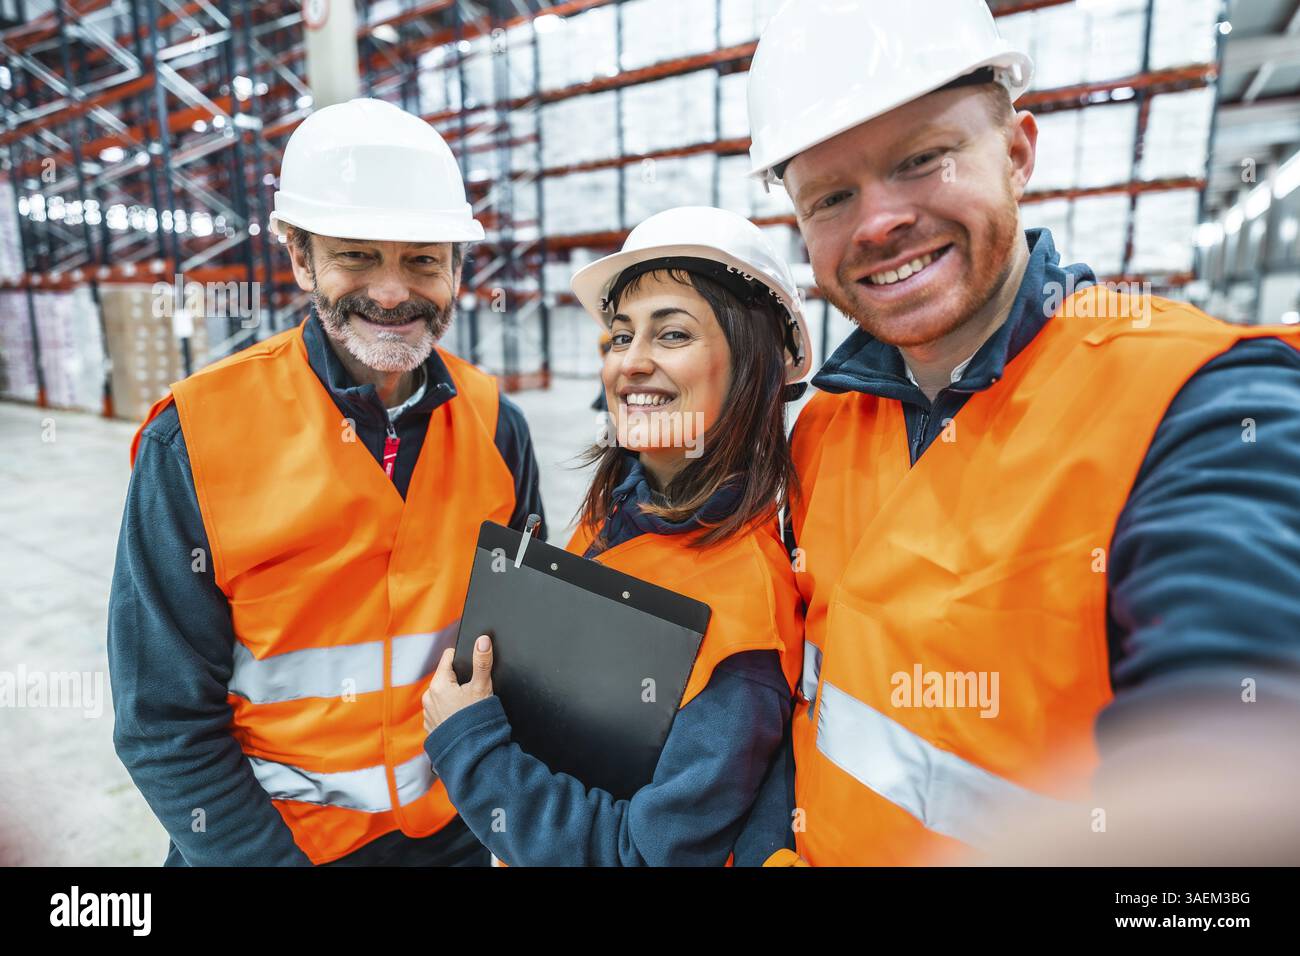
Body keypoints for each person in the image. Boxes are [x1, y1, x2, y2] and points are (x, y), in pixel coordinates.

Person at [746, 0, 1300, 865]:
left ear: (1017, 153)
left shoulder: (1197, 403)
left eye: (921, 159)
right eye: (832, 196)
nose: (878, 222)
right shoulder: (824, 424)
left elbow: (1249, 783)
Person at [107, 98, 546, 866]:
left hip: (453, 837)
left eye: (421, 259)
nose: (390, 292)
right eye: (356, 256)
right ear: (300, 257)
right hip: (268, 847)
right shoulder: (196, 438)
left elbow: (519, 654)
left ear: (456, 267)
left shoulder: (495, 425)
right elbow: (163, 721)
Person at [420, 206, 812, 865]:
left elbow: (642, 855)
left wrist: (473, 747)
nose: (630, 363)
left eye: (673, 335)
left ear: (757, 365)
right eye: (622, 336)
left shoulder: (744, 627)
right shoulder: (622, 512)